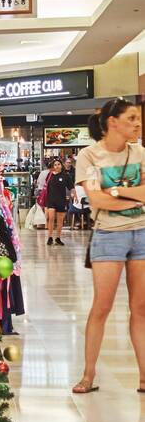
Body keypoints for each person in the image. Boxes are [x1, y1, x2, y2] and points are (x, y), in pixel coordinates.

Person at [72, 98, 145, 395]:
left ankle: (143, 377)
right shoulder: (89, 156)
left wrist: (115, 189)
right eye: (131, 118)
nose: (137, 124)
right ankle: (88, 375)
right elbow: (96, 200)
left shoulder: (140, 152)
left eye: (138, 118)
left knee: (140, 308)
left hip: (141, 233)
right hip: (107, 235)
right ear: (112, 123)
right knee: (101, 307)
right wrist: (135, 195)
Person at [43, 159, 74, 246]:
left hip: (61, 200)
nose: (57, 166)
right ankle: (50, 237)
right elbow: (45, 187)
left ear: (61, 165)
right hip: (51, 200)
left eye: (58, 164)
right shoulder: (49, 175)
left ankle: (58, 238)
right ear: (53, 166)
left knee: (60, 220)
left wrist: (73, 194)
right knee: (51, 218)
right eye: (55, 164)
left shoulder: (66, 176)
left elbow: (71, 187)